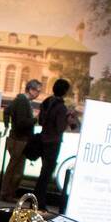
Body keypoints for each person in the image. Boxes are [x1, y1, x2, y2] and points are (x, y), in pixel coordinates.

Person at [0, 79, 41, 201]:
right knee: (16, 169)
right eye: (37, 90)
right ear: (31, 90)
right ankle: (7, 194)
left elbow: (7, 111)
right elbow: (22, 123)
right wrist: (34, 119)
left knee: (13, 167)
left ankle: (6, 193)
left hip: (15, 138)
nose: (38, 93)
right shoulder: (23, 101)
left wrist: (7, 126)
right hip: (19, 140)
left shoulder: (19, 99)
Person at [33, 78, 71, 209]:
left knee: (43, 172)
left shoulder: (46, 102)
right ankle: (39, 203)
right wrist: (68, 118)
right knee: (46, 173)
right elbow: (60, 128)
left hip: (43, 140)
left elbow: (41, 121)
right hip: (53, 142)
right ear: (65, 91)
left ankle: (35, 200)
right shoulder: (61, 107)